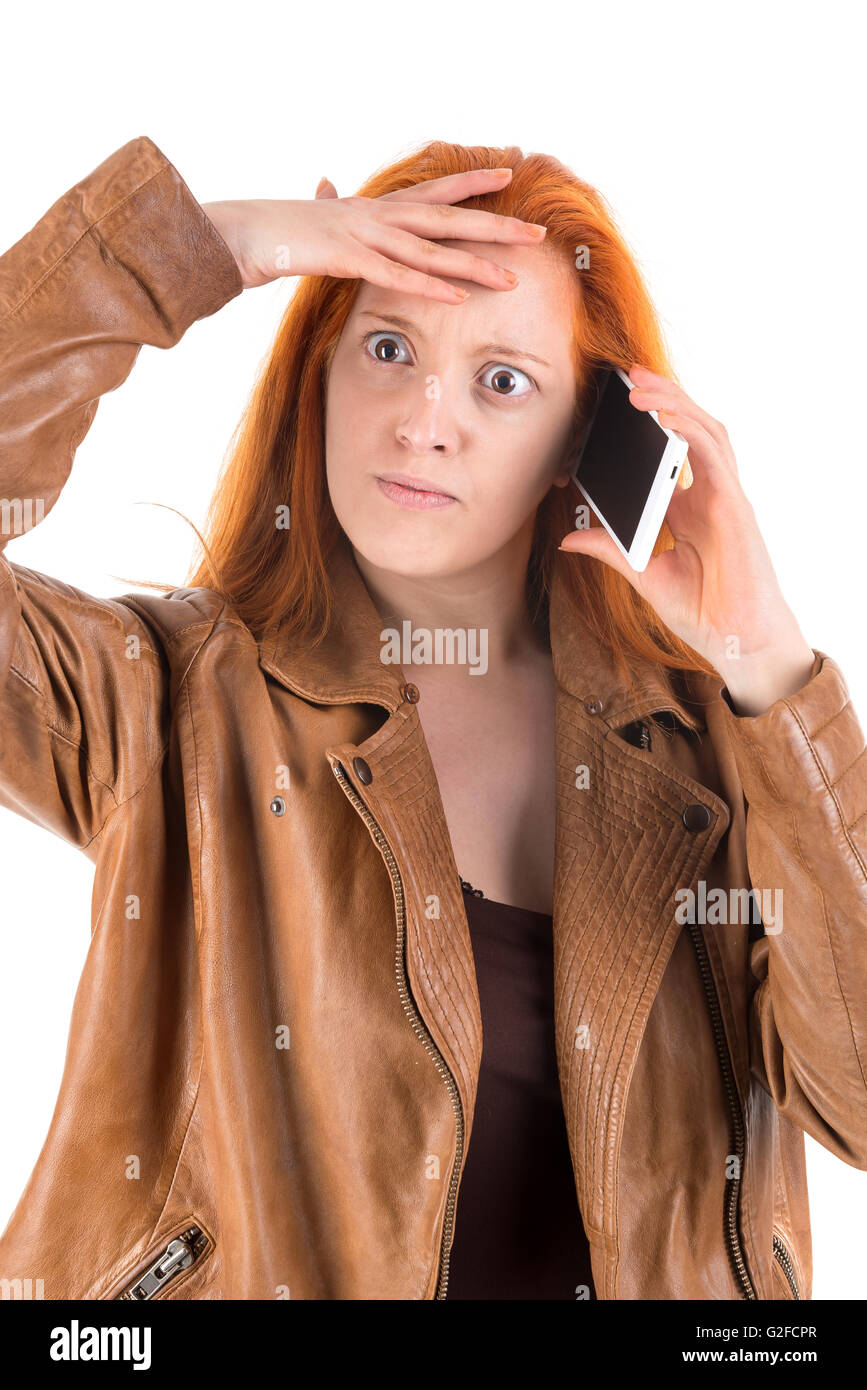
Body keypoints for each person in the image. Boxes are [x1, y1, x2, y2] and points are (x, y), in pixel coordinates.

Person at [0, 134, 864, 1301]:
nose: (422, 419)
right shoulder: (164, 697)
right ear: (320, 370)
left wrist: (770, 666)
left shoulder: (717, 747)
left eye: (501, 379)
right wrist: (209, 246)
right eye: (389, 347)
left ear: (585, 442)